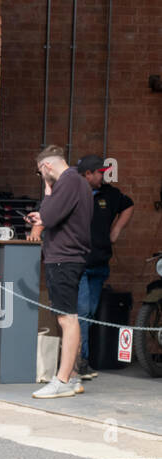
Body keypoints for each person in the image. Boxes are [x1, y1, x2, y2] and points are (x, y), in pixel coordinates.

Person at [26, 146, 92, 399]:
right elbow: (53, 215)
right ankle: (72, 377)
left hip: (64, 258)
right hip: (70, 256)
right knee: (69, 317)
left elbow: (50, 216)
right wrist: (41, 216)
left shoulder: (66, 181)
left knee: (66, 318)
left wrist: (47, 188)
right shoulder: (78, 182)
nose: (42, 176)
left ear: (47, 167)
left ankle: (62, 379)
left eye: (41, 172)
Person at [73, 155, 134, 381]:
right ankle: (81, 361)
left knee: (89, 313)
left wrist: (116, 230)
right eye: (99, 172)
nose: (103, 175)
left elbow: (128, 206)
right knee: (83, 313)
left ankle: (82, 360)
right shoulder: (74, 192)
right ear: (87, 174)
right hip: (79, 264)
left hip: (100, 264)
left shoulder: (110, 194)